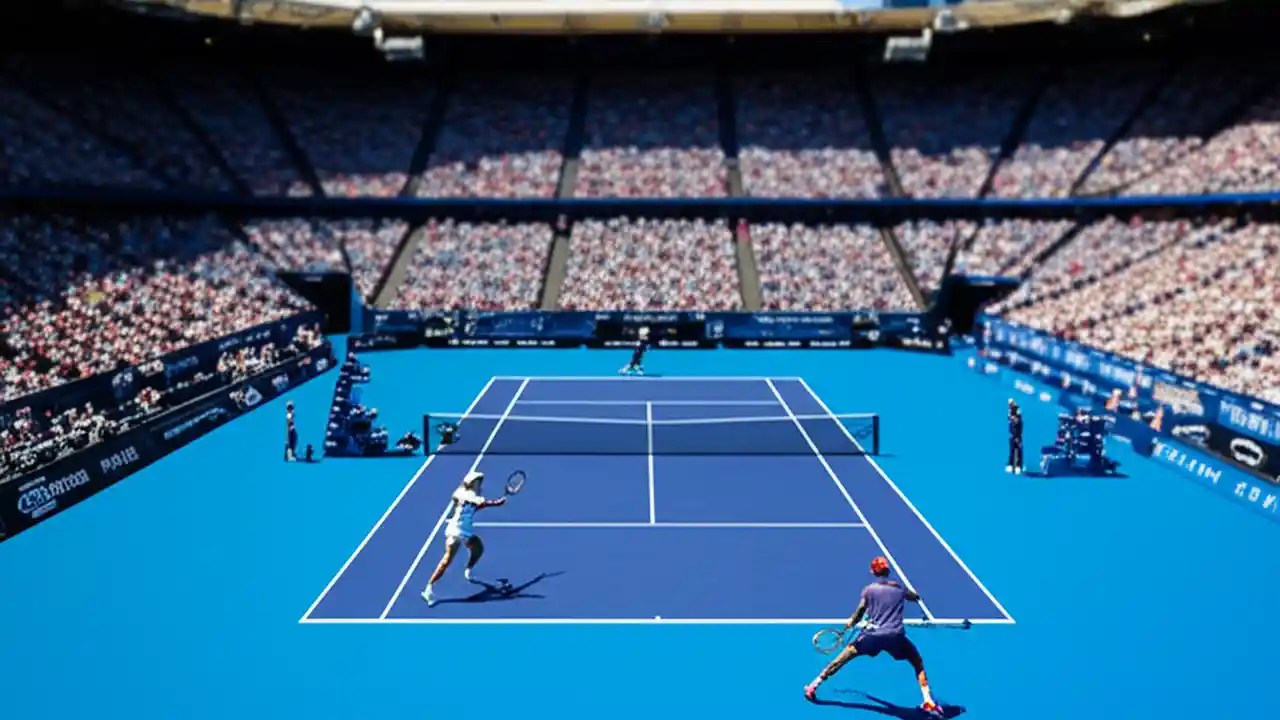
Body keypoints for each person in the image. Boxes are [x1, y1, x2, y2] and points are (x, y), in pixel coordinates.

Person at [805, 557, 942, 716]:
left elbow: (859, 612)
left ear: (873, 571)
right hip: (895, 637)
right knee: (917, 662)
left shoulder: (869, 590)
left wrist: (851, 622)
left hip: (872, 637)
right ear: (888, 571)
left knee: (844, 657)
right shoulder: (899, 589)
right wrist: (914, 596)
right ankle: (928, 701)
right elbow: (914, 596)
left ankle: (814, 685)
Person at [421, 471, 506, 607]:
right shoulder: (461, 493)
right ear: (472, 483)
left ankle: (468, 570)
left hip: (466, 531)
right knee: (447, 559)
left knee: (478, 548)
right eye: (478, 481)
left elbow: (474, 508)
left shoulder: (476, 498)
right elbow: (464, 498)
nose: (480, 483)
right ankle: (428, 590)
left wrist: (495, 503)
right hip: (455, 530)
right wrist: (482, 501)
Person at [1007, 399, 1023, 474]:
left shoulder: (1018, 414)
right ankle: (1011, 465)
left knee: (1018, 450)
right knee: (1012, 450)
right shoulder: (1010, 413)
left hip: (1017, 435)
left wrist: (1017, 436)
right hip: (1012, 435)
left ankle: (1018, 466)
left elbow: (1018, 424)